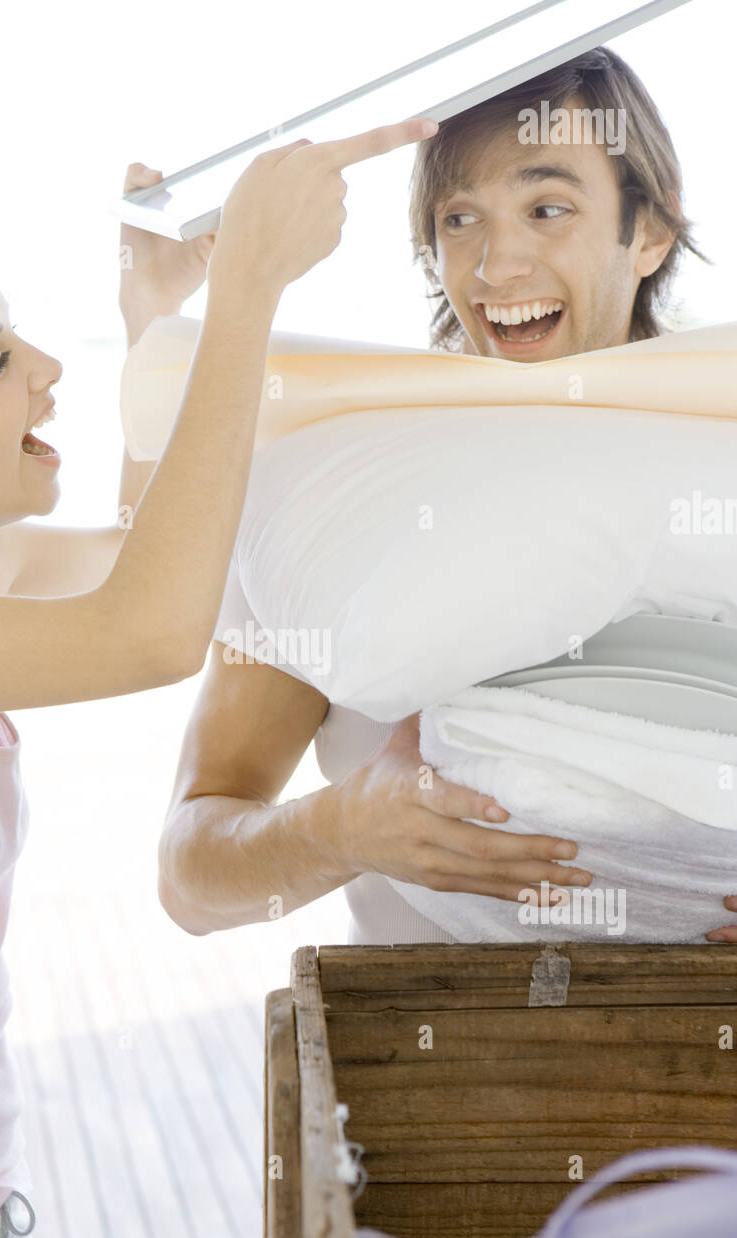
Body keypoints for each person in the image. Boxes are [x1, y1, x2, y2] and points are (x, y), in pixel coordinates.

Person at [0, 114, 436, 1238]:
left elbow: (139, 563)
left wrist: (161, 318)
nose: (46, 368)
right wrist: (251, 287)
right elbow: (148, 634)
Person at [157, 47, 737, 946]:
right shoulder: (344, 490)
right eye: (458, 219)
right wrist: (338, 828)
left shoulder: (716, 471)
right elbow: (191, 875)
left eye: (547, 209)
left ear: (650, 233)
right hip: (414, 1063)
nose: (496, 265)